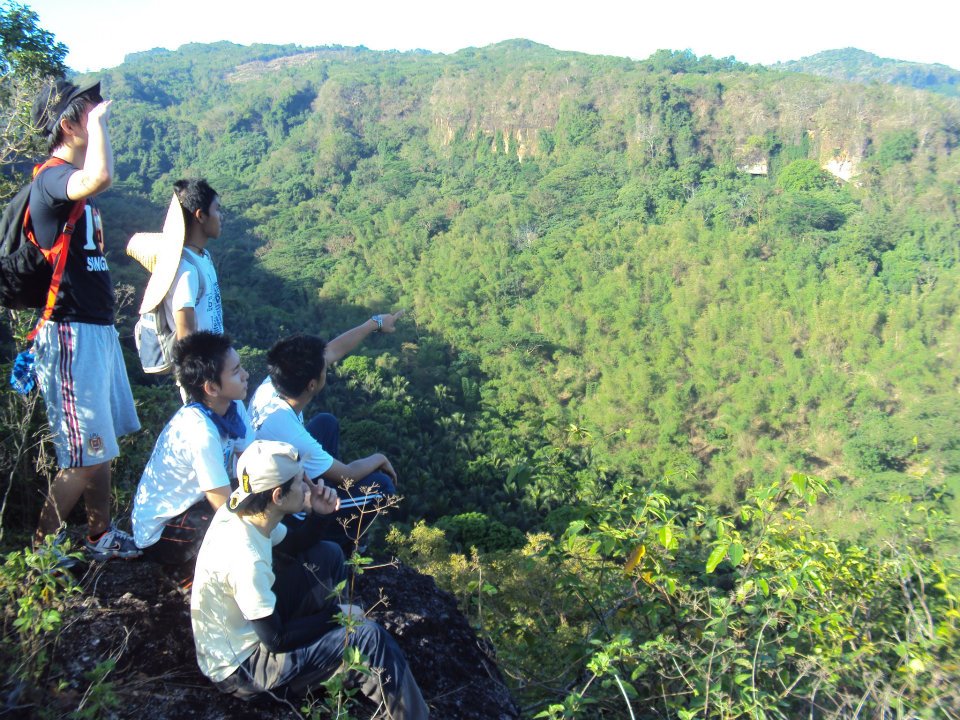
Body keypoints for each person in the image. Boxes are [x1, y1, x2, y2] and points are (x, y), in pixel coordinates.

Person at [191, 440, 429, 717]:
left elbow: (294, 543)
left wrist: (319, 514)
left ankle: (330, 653)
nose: (309, 485)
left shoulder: (242, 511)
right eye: (299, 482)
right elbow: (276, 640)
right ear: (278, 495)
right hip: (245, 670)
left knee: (328, 554)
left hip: (250, 628)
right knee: (368, 638)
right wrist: (338, 617)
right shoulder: (247, 557)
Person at [29, 77, 141, 559]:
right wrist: (99, 128)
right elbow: (99, 177)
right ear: (68, 121)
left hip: (94, 331)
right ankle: (38, 555)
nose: (97, 109)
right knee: (81, 453)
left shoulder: (68, 186)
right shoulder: (53, 179)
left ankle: (100, 534)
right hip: (70, 332)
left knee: (102, 445)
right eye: (87, 107)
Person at [249, 315, 403, 552]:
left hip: (276, 472)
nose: (327, 366)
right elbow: (348, 475)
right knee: (381, 486)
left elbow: (331, 350)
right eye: (323, 369)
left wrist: (375, 323)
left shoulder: (273, 384)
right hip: (285, 507)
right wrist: (380, 458)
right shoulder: (293, 436)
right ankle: (340, 541)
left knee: (325, 423)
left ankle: (327, 500)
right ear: (312, 385)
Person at [131, 332, 253, 574]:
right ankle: (190, 580)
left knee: (261, 495)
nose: (245, 375)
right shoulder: (200, 430)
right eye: (236, 371)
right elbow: (222, 503)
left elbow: (251, 461)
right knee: (229, 524)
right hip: (162, 530)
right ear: (211, 388)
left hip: (195, 504)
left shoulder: (233, 406)